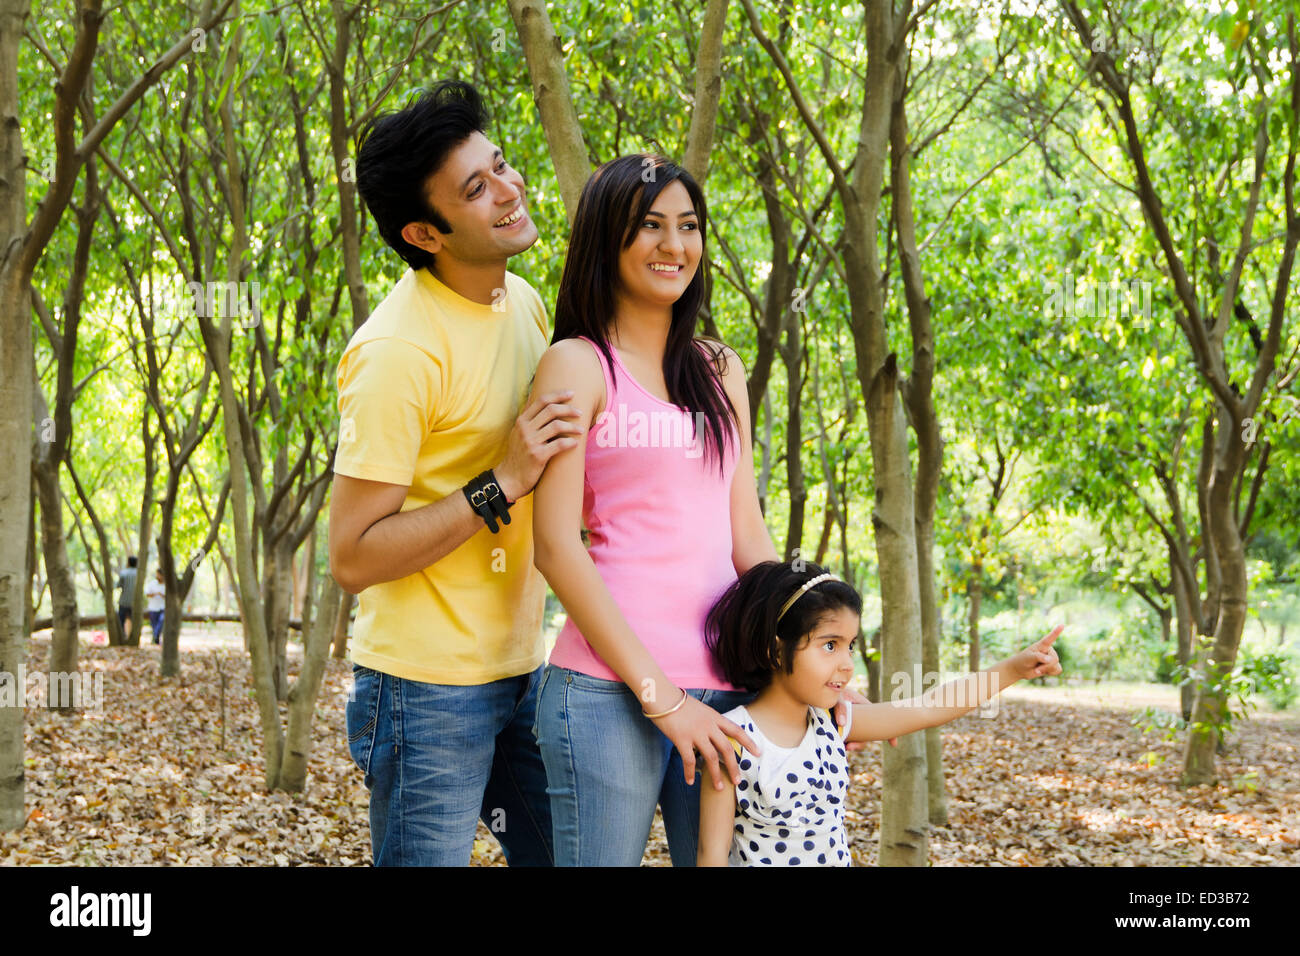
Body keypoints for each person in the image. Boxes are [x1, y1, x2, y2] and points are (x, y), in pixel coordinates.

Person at [529, 154, 862, 866]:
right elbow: (556, 546)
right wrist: (661, 697)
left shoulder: (720, 369)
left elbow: (746, 535)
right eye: (649, 226)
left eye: (688, 226)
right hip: (602, 692)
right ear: (606, 239)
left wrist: (809, 653)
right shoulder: (576, 364)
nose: (673, 245)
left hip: (727, 691)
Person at [328, 80, 581, 866]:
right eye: (477, 189)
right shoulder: (396, 353)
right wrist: (498, 482)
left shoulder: (529, 304)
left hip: (521, 674)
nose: (510, 190)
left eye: (500, 165)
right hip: (422, 691)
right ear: (423, 232)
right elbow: (353, 557)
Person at [697, 559, 1065, 866]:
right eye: (830, 645)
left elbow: (928, 708)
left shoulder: (833, 724)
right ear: (777, 650)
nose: (846, 664)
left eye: (850, 646)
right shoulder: (734, 738)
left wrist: (1013, 669)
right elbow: (710, 854)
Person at [115, 556, 138, 642]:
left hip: (124, 601)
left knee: (121, 621)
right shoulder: (139, 573)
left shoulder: (124, 573)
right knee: (134, 621)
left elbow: (118, 585)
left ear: (128, 563)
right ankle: (132, 637)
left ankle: (123, 637)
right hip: (135, 602)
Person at [144, 568, 165, 645]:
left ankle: (155, 636)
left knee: (161, 621)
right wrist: (155, 594)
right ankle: (156, 639)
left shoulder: (166, 585)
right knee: (154, 625)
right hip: (153, 608)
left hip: (162, 607)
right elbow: (147, 594)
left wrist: (162, 595)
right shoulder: (152, 584)